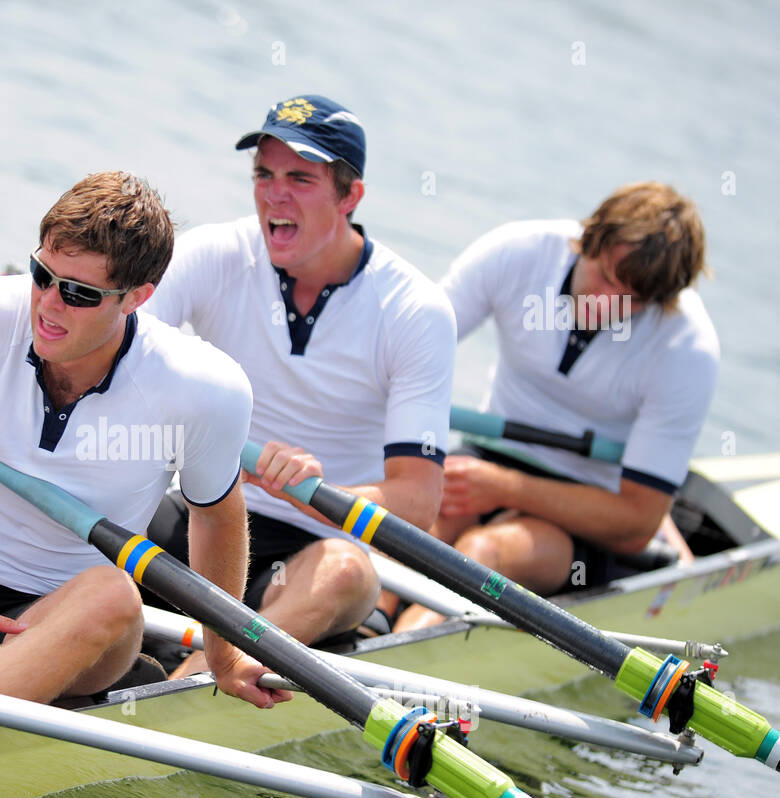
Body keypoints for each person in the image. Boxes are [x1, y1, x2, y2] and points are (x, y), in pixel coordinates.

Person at [0, 171, 289, 728]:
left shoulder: (202, 388)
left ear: (137, 298)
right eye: (42, 275)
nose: (49, 306)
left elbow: (217, 519)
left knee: (114, 595)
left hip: (63, 620)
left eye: (79, 293)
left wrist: (223, 655)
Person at [142, 95, 456, 671]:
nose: (274, 193)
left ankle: (188, 693)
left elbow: (416, 499)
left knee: (346, 571)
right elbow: (120, 350)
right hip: (202, 513)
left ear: (350, 196)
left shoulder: (414, 310)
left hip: (312, 553)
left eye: (300, 178)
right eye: (263, 173)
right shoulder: (215, 253)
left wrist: (312, 494)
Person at [394, 182, 718, 632]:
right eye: (605, 276)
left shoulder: (688, 348)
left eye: (631, 299)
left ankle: (382, 665)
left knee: (483, 553)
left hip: (595, 503)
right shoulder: (518, 253)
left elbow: (638, 521)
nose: (607, 304)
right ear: (588, 240)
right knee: (412, 531)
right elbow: (404, 352)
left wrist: (509, 489)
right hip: (490, 455)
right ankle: (358, 631)